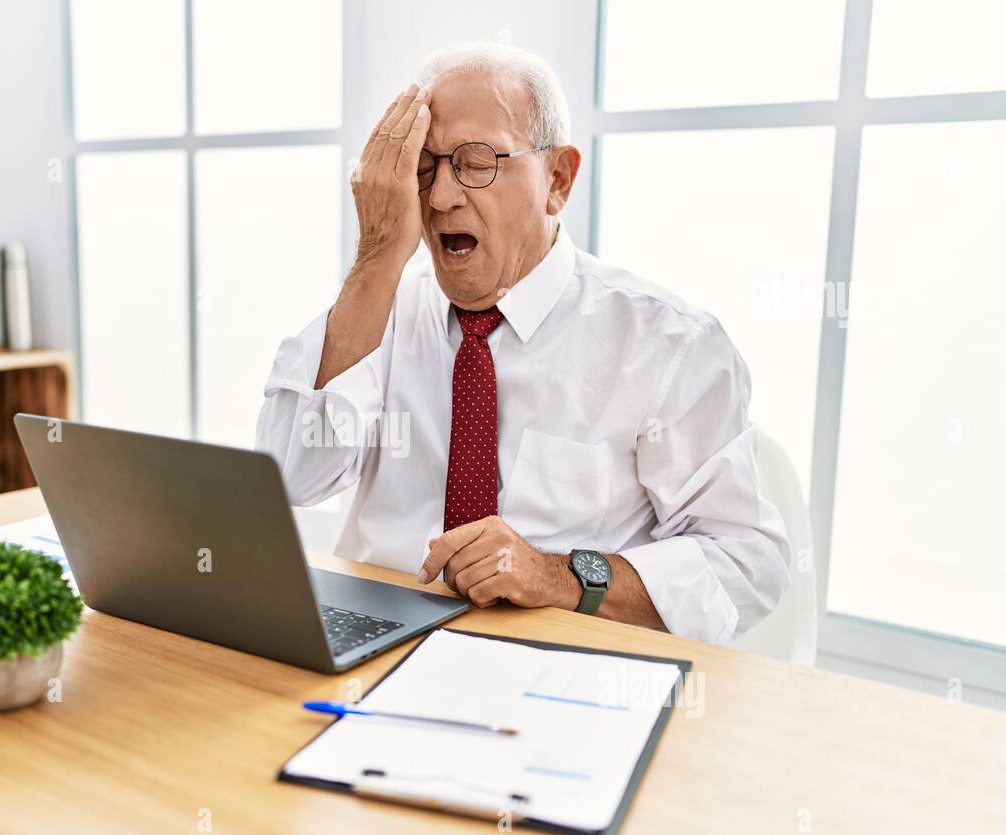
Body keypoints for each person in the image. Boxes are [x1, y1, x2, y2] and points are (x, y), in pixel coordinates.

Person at [256, 43, 789, 644]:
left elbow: (748, 565)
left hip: (562, 665)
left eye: (476, 162)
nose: (439, 199)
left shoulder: (669, 344)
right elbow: (290, 478)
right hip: (374, 646)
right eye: (423, 168)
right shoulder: (382, 305)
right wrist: (377, 256)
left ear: (556, 180)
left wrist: (558, 576)